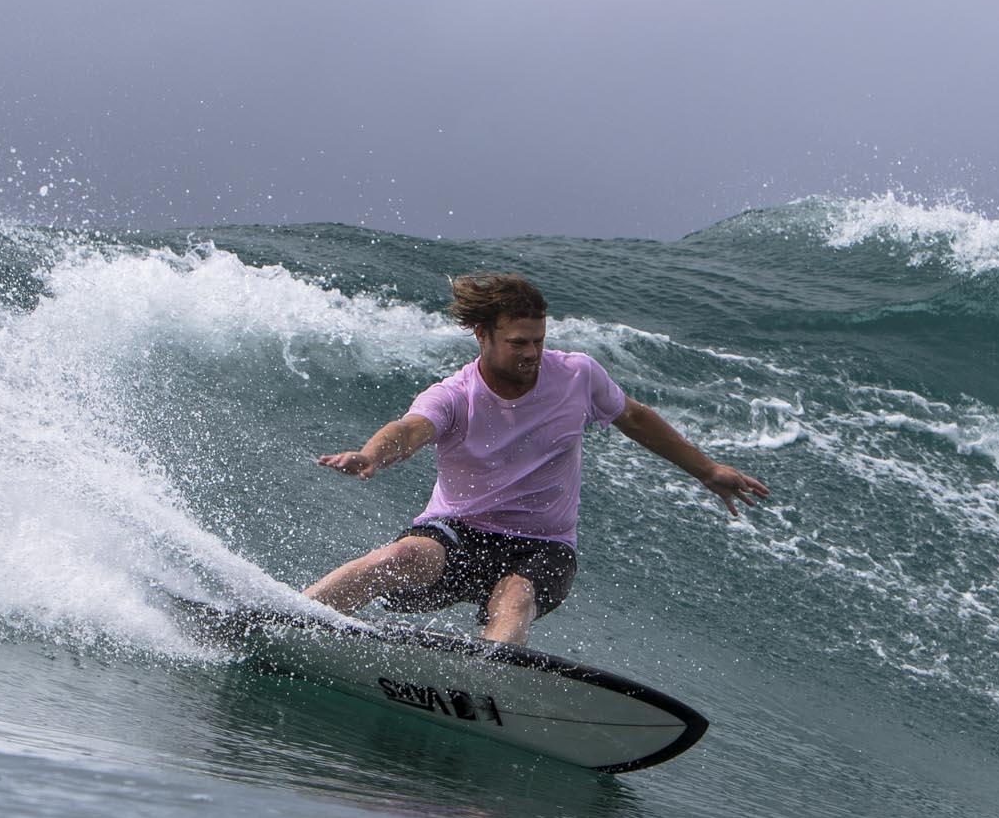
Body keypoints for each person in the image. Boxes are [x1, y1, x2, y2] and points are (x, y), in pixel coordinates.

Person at [306, 271, 767, 647]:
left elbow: (635, 418)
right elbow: (410, 430)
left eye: (538, 341)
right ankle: (290, 619)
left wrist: (708, 471)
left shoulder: (577, 377)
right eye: (518, 342)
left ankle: (487, 678)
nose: (532, 353)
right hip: (459, 532)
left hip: (543, 544)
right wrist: (370, 455)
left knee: (516, 596)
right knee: (403, 555)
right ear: (482, 334)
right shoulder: (454, 396)